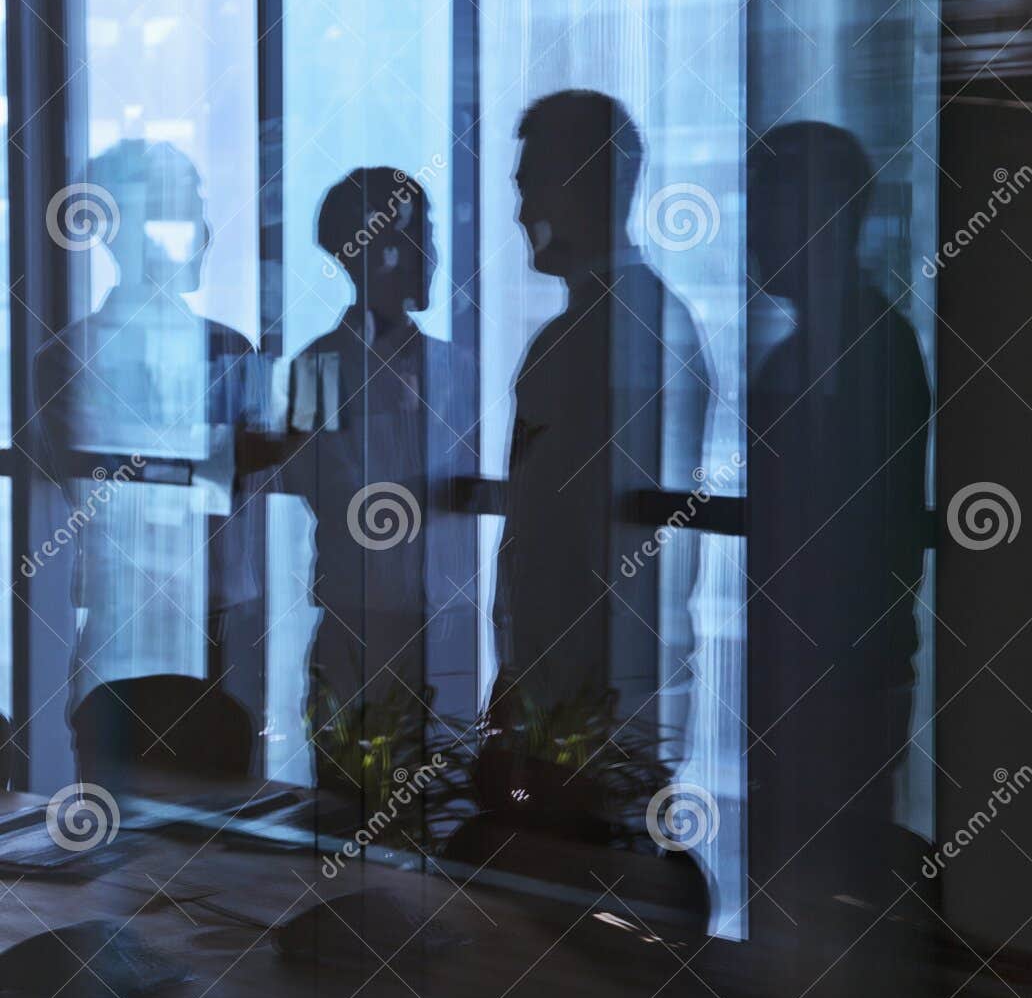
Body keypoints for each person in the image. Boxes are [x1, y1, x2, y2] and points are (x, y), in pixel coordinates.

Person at [490, 90, 715, 770]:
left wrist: (541, 686)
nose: (522, 213)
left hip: (588, 695)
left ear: (590, 185)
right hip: (591, 686)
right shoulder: (632, 322)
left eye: (533, 188)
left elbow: (573, 536)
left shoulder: (608, 333)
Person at [746, 120, 931, 907]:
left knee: (820, 886)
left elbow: (858, 537)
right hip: (826, 672)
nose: (751, 233)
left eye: (765, 209)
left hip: (832, 676)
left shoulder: (853, 351)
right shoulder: (831, 347)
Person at [35, 140, 264, 765]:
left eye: (199, 212)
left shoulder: (231, 351)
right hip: (127, 628)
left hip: (215, 629)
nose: (204, 233)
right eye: (182, 215)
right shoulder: (66, 362)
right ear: (124, 232)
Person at [282, 167, 476, 793]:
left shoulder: (453, 367)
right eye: (414, 238)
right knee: (350, 797)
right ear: (369, 252)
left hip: (439, 627)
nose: (430, 256)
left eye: (427, 236)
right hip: (357, 622)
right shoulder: (319, 364)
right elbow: (326, 484)